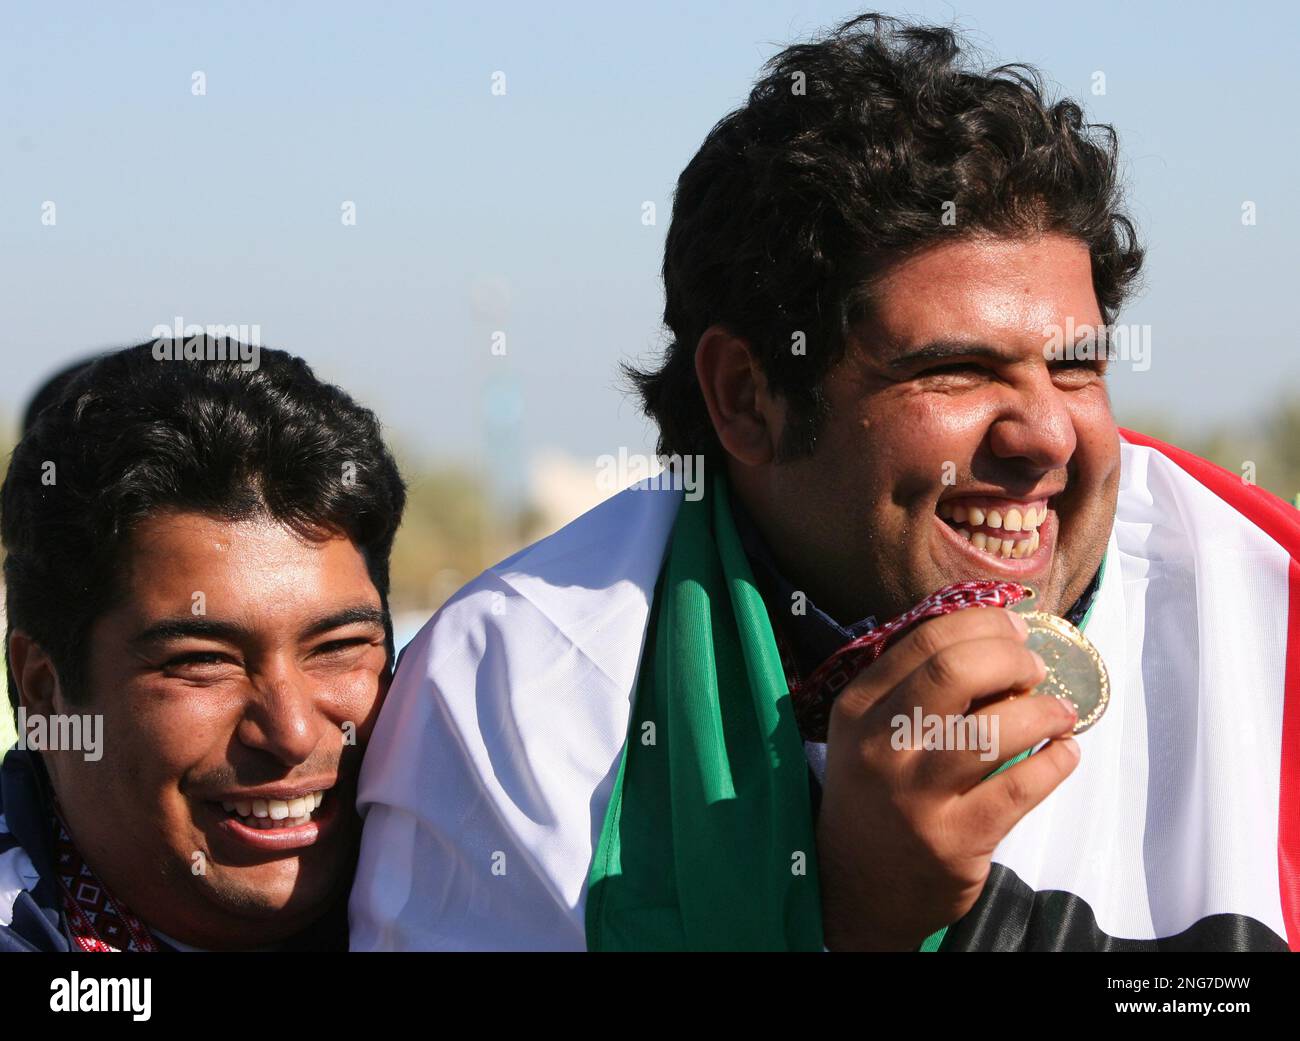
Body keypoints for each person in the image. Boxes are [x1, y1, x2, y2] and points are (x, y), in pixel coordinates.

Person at [349, 13, 1299, 951]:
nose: (1047, 434)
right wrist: (860, 923)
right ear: (747, 396)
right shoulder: (512, 689)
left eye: (1078, 366)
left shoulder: (1272, 609)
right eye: (958, 369)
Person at [1, 337, 406, 951]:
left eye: (337, 647)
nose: (291, 732)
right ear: (43, 691)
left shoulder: (517, 898)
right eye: (202, 661)